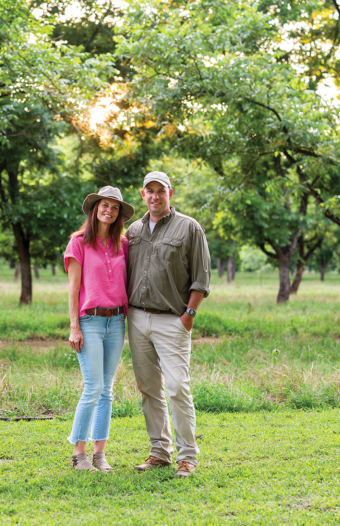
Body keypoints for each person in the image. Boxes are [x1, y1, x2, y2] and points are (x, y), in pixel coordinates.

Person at [125, 171, 211, 478]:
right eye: (149, 191)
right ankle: (160, 451)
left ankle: (187, 457)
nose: (154, 196)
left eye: (160, 191)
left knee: (176, 387)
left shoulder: (189, 228)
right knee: (148, 388)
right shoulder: (132, 230)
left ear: (169, 194)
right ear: (143, 193)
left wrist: (189, 315)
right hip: (136, 319)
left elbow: (201, 277)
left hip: (173, 320)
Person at [64, 185, 135, 471]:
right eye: (104, 205)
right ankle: (78, 454)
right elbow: (73, 288)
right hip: (89, 321)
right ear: (95, 209)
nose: (109, 210)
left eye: (115, 207)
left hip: (117, 321)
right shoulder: (78, 242)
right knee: (93, 388)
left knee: (108, 390)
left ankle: (99, 453)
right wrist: (74, 326)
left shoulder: (123, 244)